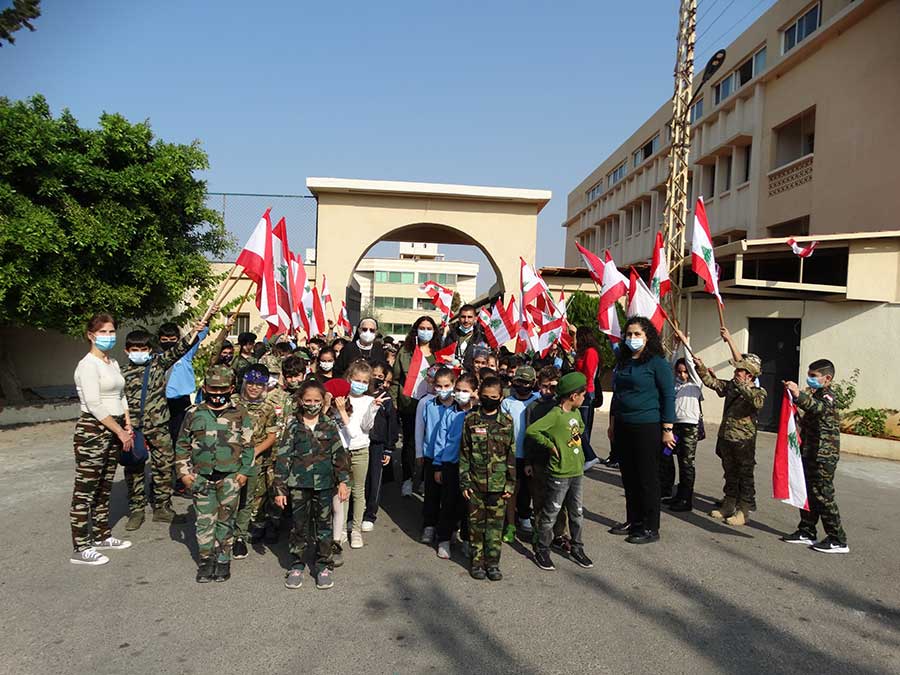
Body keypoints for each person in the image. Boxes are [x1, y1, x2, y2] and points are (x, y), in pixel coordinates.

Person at [121, 318, 206, 530]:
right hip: (133, 428)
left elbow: (180, 348)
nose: (139, 352)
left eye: (143, 348)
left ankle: (162, 507)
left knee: (164, 467)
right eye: (134, 349)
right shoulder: (121, 373)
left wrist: (196, 330)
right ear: (126, 351)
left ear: (150, 350)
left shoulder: (158, 364)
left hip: (159, 426)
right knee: (134, 469)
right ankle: (137, 510)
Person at [175, 365, 254, 583]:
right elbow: (182, 446)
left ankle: (222, 560)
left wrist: (244, 472)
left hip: (230, 476)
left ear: (230, 388)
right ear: (205, 387)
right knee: (204, 522)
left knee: (226, 520)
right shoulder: (193, 413)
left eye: (222, 389)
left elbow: (248, 444)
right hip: (200, 477)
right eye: (213, 388)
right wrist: (184, 473)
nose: (217, 393)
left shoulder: (240, 413)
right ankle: (206, 561)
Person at [70, 313, 134, 565]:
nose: (108, 337)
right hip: (93, 431)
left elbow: (121, 395)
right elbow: (95, 404)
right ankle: (81, 546)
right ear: (90, 335)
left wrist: (126, 424)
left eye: (111, 332)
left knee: (104, 486)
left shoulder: (112, 363)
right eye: (103, 332)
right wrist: (118, 431)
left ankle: (101, 535)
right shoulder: (87, 365)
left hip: (116, 427)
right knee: (85, 490)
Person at [274, 379, 350, 590]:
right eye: (308, 400)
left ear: (323, 400)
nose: (312, 404)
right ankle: (296, 564)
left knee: (324, 527)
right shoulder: (293, 427)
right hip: (298, 485)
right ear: (300, 401)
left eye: (317, 400)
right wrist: (279, 488)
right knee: (299, 526)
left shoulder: (329, 425)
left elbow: (339, 456)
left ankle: (323, 565)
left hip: (325, 485)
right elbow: (283, 457)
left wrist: (343, 482)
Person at [607, 317, 675, 544]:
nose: (632, 338)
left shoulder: (657, 363)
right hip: (624, 425)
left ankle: (650, 527)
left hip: (648, 426)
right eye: (629, 334)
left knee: (647, 478)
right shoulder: (624, 362)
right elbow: (618, 395)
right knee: (629, 477)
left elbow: (668, 395)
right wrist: (613, 424)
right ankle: (633, 521)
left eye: (637, 334)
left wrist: (667, 428)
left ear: (648, 337)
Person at [695, 338, 766, 527]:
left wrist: (742, 386)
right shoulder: (732, 387)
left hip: (744, 441)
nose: (736, 373)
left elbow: (756, 402)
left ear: (749, 375)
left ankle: (743, 511)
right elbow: (713, 383)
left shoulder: (758, 392)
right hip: (726, 438)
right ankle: (728, 504)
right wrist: (701, 367)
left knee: (745, 476)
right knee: (730, 473)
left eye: (739, 371)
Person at [527, 372, 594, 571]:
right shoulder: (555, 414)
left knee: (577, 512)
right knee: (551, 512)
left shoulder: (575, 413)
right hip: (559, 472)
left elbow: (579, 428)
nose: (584, 398)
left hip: (576, 471)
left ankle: (577, 547)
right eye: (582, 394)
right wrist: (550, 445)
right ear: (574, 396)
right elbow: (533, 430)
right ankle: (542, 549)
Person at [782, 360, 849, 553]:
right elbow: (811, 416)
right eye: (809, 375)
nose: (809, 379)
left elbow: (817, 407)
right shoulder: (817, 394)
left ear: (827, 378)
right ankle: (807, 530)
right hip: (811, 451)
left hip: (824, 455)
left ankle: (838, 539)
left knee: (823, 495)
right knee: (808, 493)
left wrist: (798, 394)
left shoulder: (827, 396)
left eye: (814, 376)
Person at [460, 376, 515, 581]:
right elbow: (464, 453)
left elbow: (511, 454)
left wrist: (510, 483)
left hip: (499, 486)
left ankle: (493, 563)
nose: (489, 400)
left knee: (495, 527)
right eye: (485, 397)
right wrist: (464, 481)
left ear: (501, 397)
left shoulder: (507, 422)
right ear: (479, 396)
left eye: (493, 397)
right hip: (475, 484)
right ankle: (477, 562)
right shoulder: (470, 420)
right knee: (476, 526)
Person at [230, 364, 280, 557]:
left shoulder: (267, 407)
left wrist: (254, 453)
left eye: (259, 385)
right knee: (227, 499)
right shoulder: (232, 402)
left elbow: (272, 435)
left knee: (246, 499)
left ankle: (239, 537)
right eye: (250, 383)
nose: (254, 388)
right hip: (229, 458)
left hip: (253, 460)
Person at [334, 360, 384, 549]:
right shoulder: (340, 398)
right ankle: (341, 529)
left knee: (358, 491)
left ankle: (355, 529)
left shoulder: (368, 401)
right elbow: (341, 428)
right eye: (357, 380)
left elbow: (363, 428)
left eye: (364, 381)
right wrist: (338, 408)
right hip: (342, 451)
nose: (360, 384)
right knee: (342, 491)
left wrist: (373, 409)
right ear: (349, 378)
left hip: (361, 449)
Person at [390, 316, 440, 498]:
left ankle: (426, 481)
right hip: (409, 404)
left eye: (429, 327)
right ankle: (408, 479)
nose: (425, 330)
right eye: (422, 327)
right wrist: (395, 401)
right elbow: (396, 380)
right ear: (416, 329)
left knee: (431, 443)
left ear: (434, 331)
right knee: (410, 443)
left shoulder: (439, 352)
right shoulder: (406, 351)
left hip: (434, 405)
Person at [524, 366, 570, 552]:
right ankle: (540, 533)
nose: (548, 391)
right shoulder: (533, 407)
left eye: (552, 387)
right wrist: (528, 461)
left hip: (559, 463)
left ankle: (560, 534)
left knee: (559, 501)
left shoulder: (563, 407)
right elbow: (528, 436)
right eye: (544, 387)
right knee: (540, 500)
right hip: (539, 462)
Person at [663, 326, 704, 512]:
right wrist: (676, 347)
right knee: (666, 456)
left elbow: (690, 361)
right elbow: (668, 367)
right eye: (679, 372)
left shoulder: (695, 383)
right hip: (674, 427)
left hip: (689, 427)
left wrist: (686, 343)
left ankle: (686, 499)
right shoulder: (674, 384)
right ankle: (670, 491)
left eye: (685, 371)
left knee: (687, 463)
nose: (682, 375)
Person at [500, 365, 540, 542]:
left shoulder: (538, 400)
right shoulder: (507, 402)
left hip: (532, 455)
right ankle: (510, 524)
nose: (522, 385)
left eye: (526, 382)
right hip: (512, 455)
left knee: (531, 491)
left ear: (533, 383)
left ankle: (526, 518)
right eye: (519, 381)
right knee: (512, 491)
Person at [161, 320, 210, 449]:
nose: (169, 342)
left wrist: (207, 320)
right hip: (163, 403)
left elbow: (198, 336)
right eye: (165, 339)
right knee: (165, 436)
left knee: (182, 434)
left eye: (172, 339)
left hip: (182, 402)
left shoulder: (185, 354)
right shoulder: (157, 359)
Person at [362, 362, 399, 532]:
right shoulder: (360, 395)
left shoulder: (387, 399)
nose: (376, 379)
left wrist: (389, 448)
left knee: (375, 480)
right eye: (373, 375)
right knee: (360, 480)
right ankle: (355, 512)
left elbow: (392, 425)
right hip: (361, 442)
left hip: (378, 444)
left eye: (380, 377)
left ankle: (370, 513)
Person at [574, 326, 602, 469]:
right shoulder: (583, 352)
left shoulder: (591, 352)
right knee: (578, 426)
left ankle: (589, 456)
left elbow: (588, 374)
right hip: (580, 391)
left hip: (585, 393)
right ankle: (584, 456)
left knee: (582, 427)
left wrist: (580, 391)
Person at [442, 304, 484, 370]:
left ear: (475, 318)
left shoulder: (480, 339)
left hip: (471, 377)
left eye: (469, 317)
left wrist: (461, 366)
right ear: (459, 318)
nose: (466, 320)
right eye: (463, 317)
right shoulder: (450, 337)